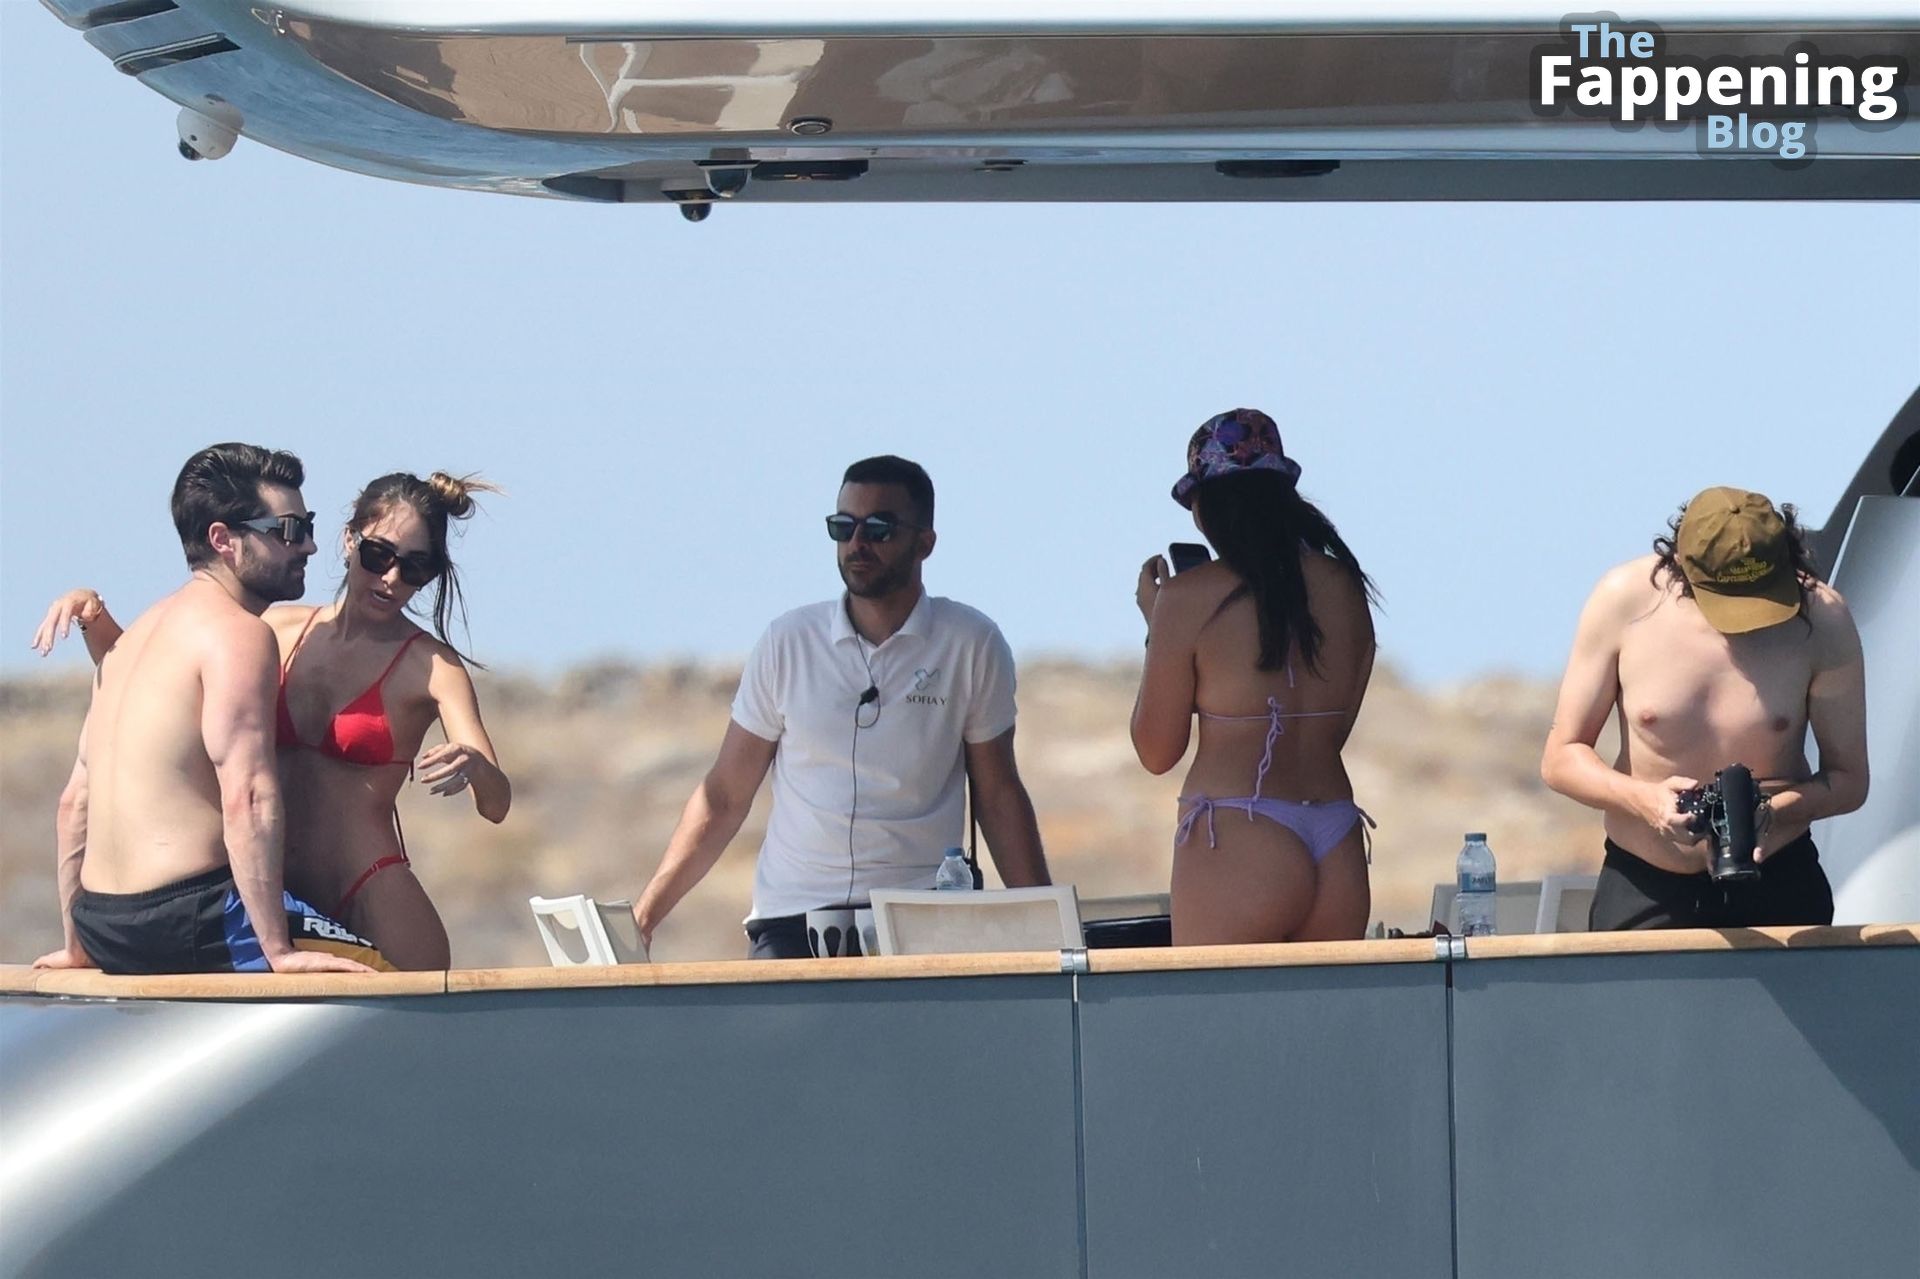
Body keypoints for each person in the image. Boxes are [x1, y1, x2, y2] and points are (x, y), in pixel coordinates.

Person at [32, 471, 510, 970]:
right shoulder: (273, 629)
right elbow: (161, 686)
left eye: (416, 568)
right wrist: (95, 621)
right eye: (379, 555)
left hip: (369, 886)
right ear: (349, 540)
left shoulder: (431, 666)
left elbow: (497, 805)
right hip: (271, 890)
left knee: (414, 1012)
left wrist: (475, 766)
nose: (392, 579)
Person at [632, 455, 1051, 959]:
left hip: (920, 920)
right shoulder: (787, 642)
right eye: (843, 527)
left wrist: (1050, 933)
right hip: (792, 921)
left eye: (879, 529)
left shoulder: (971, 642)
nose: (857, 544)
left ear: (925, 543)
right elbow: (723, 796)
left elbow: (999, 794)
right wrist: (645, 917)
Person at [30, 443, 377, 975]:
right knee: (383, 973)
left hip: (102, 923)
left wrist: (77, 945)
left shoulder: (136, 638)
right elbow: (249, 794)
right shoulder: (238, 635)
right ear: (223, 540)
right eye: (288, 530)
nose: (308, 545)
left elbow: (74, 804)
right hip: (191, 917)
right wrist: (279, 952)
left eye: (307, 526)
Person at [1540, 486, 1868, 930]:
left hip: (1778, 878)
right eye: (1728, 600)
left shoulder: (1822, 617)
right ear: (1680, 562)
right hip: (1646, 882)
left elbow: (1849, 780)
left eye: (1760, 596)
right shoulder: (1623, 600)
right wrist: (1647, 802)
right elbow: (1561, 757)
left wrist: (1770, 814)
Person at [1132, 409, 1378, 945]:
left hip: (1239, 833)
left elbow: (1157, 751)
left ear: (1208, 507)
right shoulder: (1344, 585)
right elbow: (1333, 730)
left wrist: (1159, 629)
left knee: (1214, 1002)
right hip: (1337, 838)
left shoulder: (1188, 598)